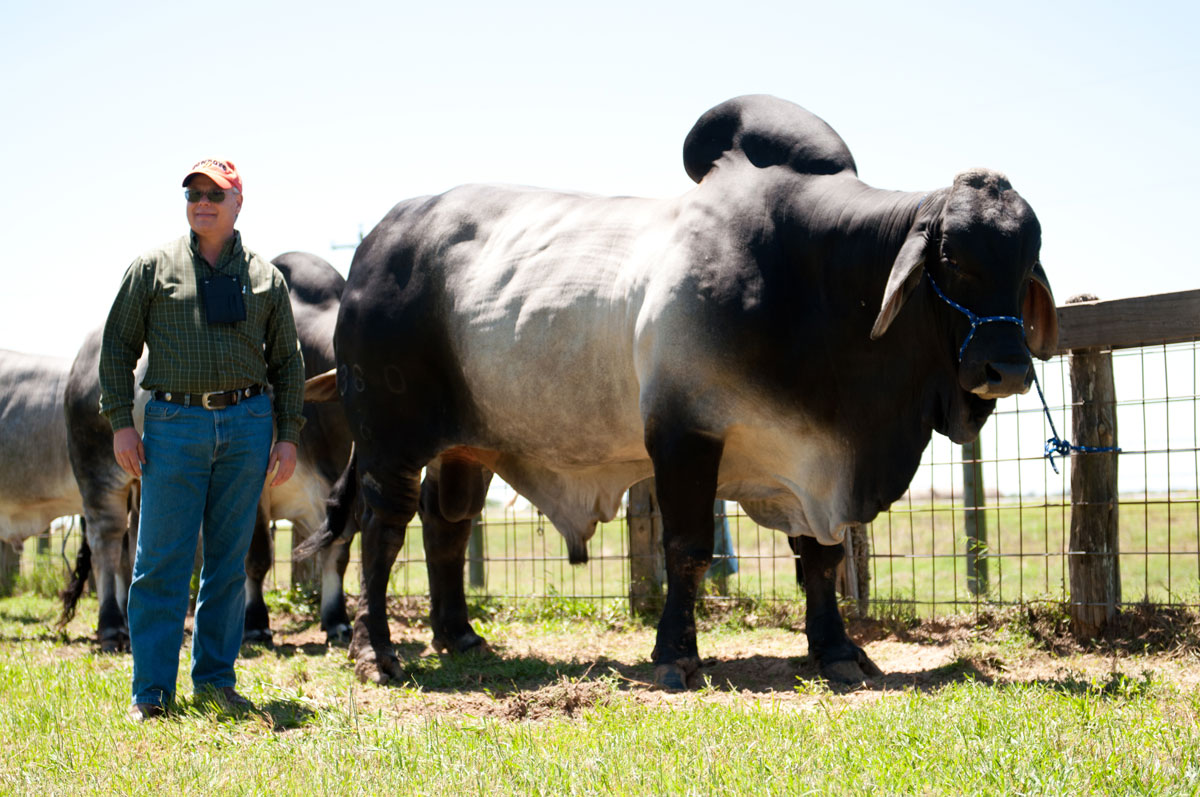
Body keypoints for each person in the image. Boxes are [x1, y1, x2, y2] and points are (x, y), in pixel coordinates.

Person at [99, 158, 305, 722]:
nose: (202, 201)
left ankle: (215, 681)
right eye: (193, 191)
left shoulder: (266, 278)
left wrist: (286, 435)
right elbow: (117, 350)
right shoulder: (152, 268)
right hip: (173, 425)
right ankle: (152, 693)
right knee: (160, 563)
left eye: (215, 192)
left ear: (238, 202)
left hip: (247, 425)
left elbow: (287, 363)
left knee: (227, 561)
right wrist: (121, 421)